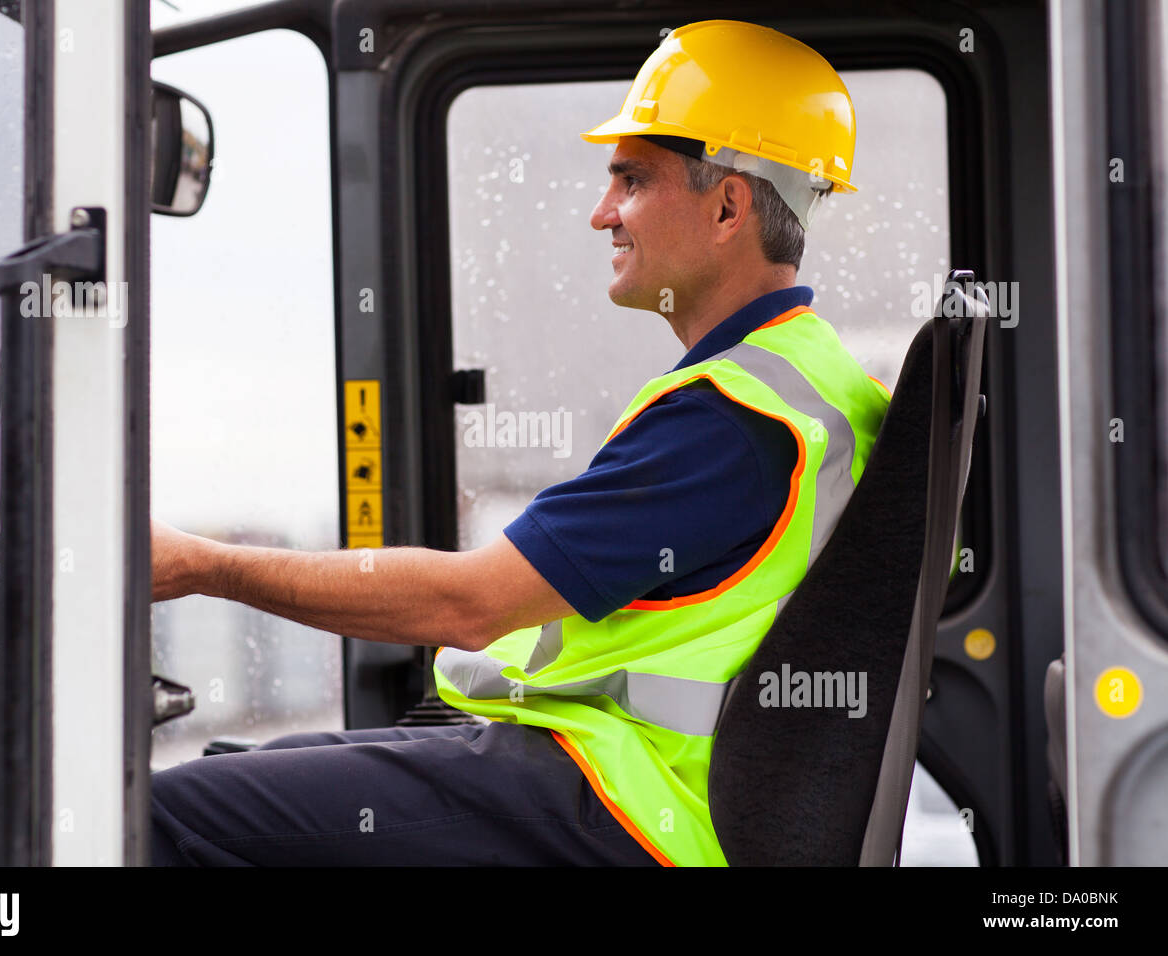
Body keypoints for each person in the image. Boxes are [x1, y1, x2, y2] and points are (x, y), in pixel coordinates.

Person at [148, 19, 890, 867]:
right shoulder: (819, 385)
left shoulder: (734, 417)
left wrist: (202, 566)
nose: (601, 212)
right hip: (633, 789)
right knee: (238, 772)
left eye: (633, 180)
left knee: (160, 817)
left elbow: (469, 606)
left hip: (627, 806)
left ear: (729, 206)